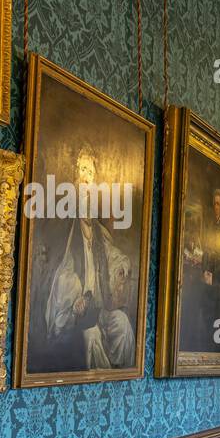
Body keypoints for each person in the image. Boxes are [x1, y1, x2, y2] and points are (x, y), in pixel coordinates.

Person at [40, 148, 135, 372]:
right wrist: (76, 299)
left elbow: (112, 253)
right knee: (91, 334)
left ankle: (120, 382)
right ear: (75, 176)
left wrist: (121, 265)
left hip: (98, 307)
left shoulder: (98, 230)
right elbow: (62, 269)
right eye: (82, 169)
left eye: (90, 171)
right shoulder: (65, 221)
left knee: (123, 324)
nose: (86, 175)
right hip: (75, 308)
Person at [179, 186, 220, 352]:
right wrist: (205, 270)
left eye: (218, 204)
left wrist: (215, 275)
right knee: (205, 305)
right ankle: (204, 340)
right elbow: (207, 248)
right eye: (214, 204)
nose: (216, 207)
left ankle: (217, 344)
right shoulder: (209, 224)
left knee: (217, 310)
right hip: (209, 272)